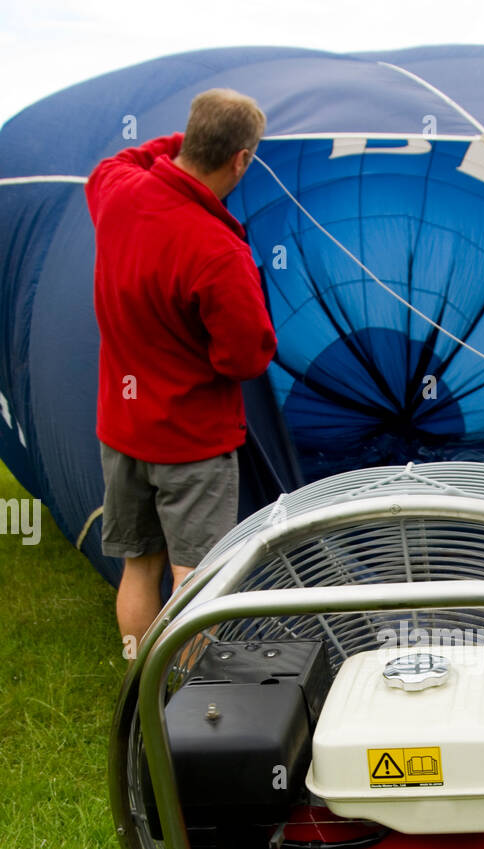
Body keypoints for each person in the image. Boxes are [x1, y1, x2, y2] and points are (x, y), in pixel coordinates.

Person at [85, 88, 278, 651]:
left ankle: (136, 677)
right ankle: (183, 694)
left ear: (189, 140)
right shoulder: (219, 250)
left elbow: (114, 162)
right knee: (194, 577)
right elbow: (245, 357)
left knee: (139, 565)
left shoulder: (117, 195)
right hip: (192, 443)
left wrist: (185, 144)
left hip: (122, 431)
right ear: (241, 159)